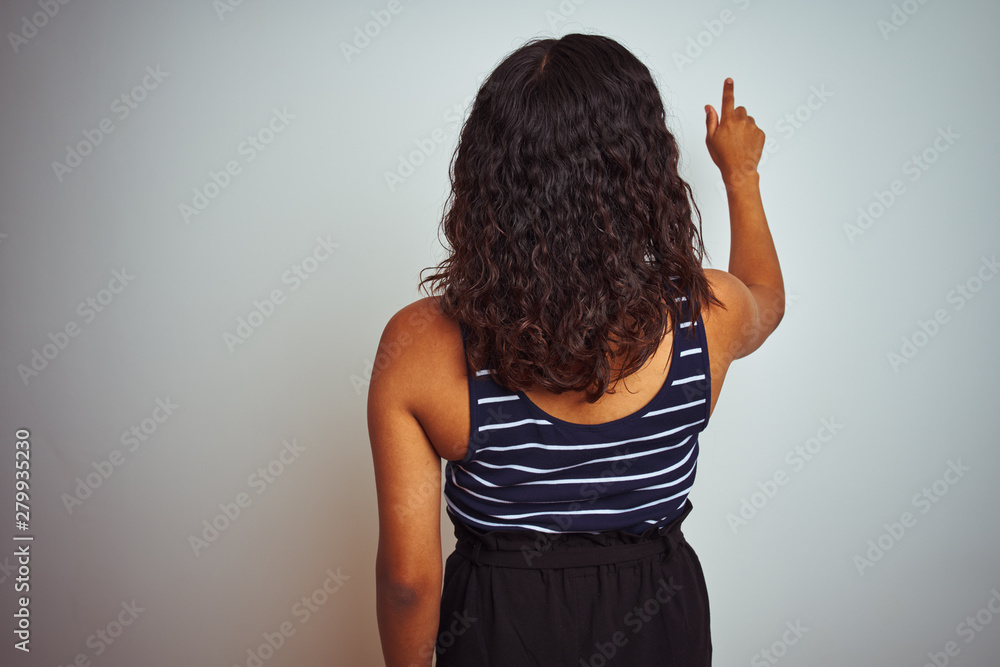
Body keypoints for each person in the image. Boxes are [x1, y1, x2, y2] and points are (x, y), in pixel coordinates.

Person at [368, 32, 784, 667]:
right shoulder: (708, 317)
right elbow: (766, 299)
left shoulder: (419, 346)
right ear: (644, 169)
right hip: (657, 622)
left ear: (485, 176)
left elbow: (408, 583)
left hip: (495, 630)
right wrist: (741, 175)